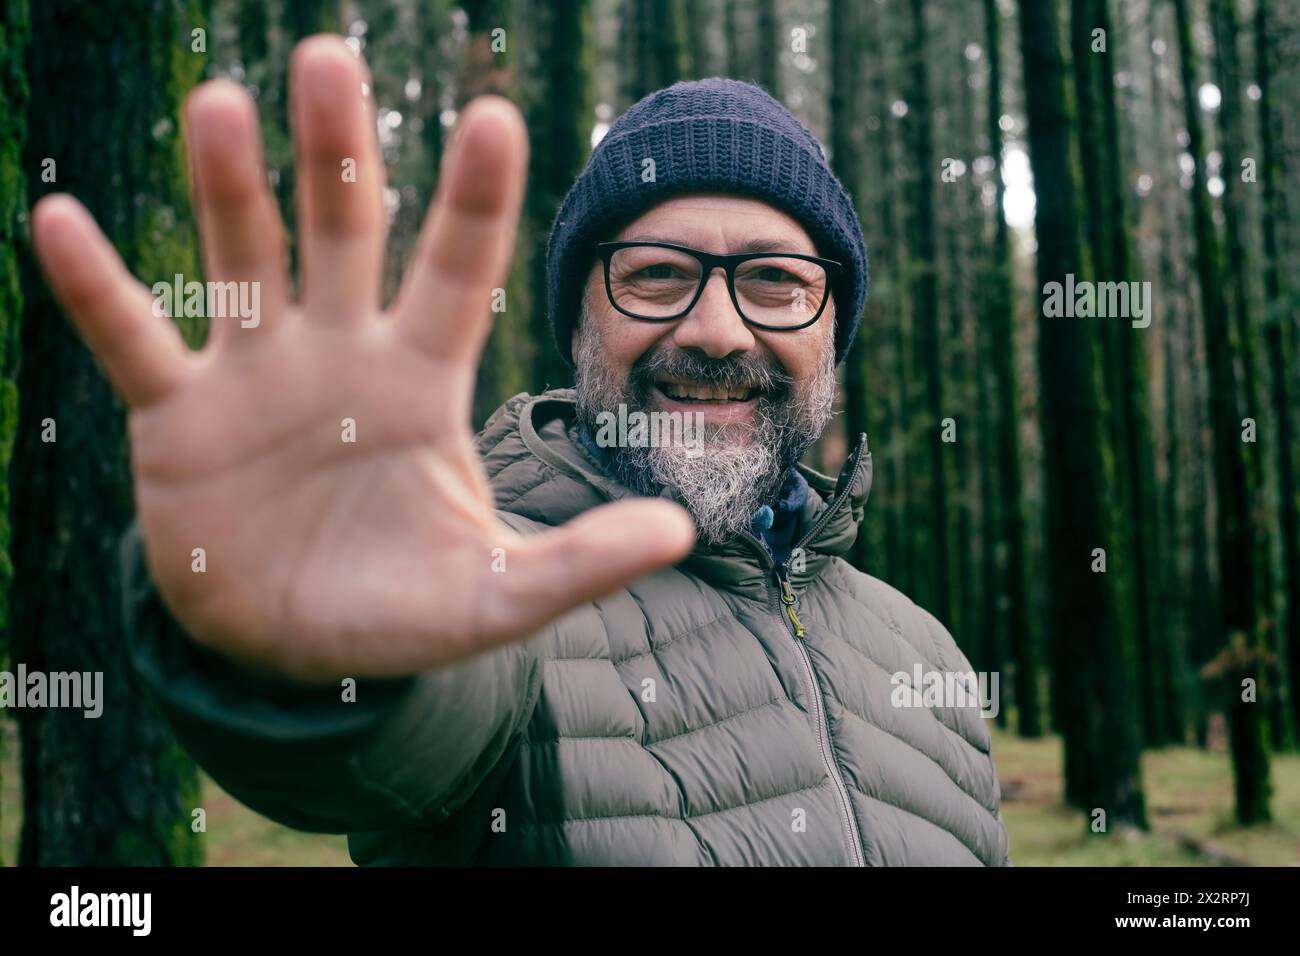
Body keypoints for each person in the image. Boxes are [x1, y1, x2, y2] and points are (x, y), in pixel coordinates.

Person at [32, 35, 1011, 866]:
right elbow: (399, 728)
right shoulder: (487, 589)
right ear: (578, 324)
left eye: (773, 281)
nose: (716, 328)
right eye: (657, 273)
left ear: (831, 331)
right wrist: (319, 644)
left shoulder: (927, 658)